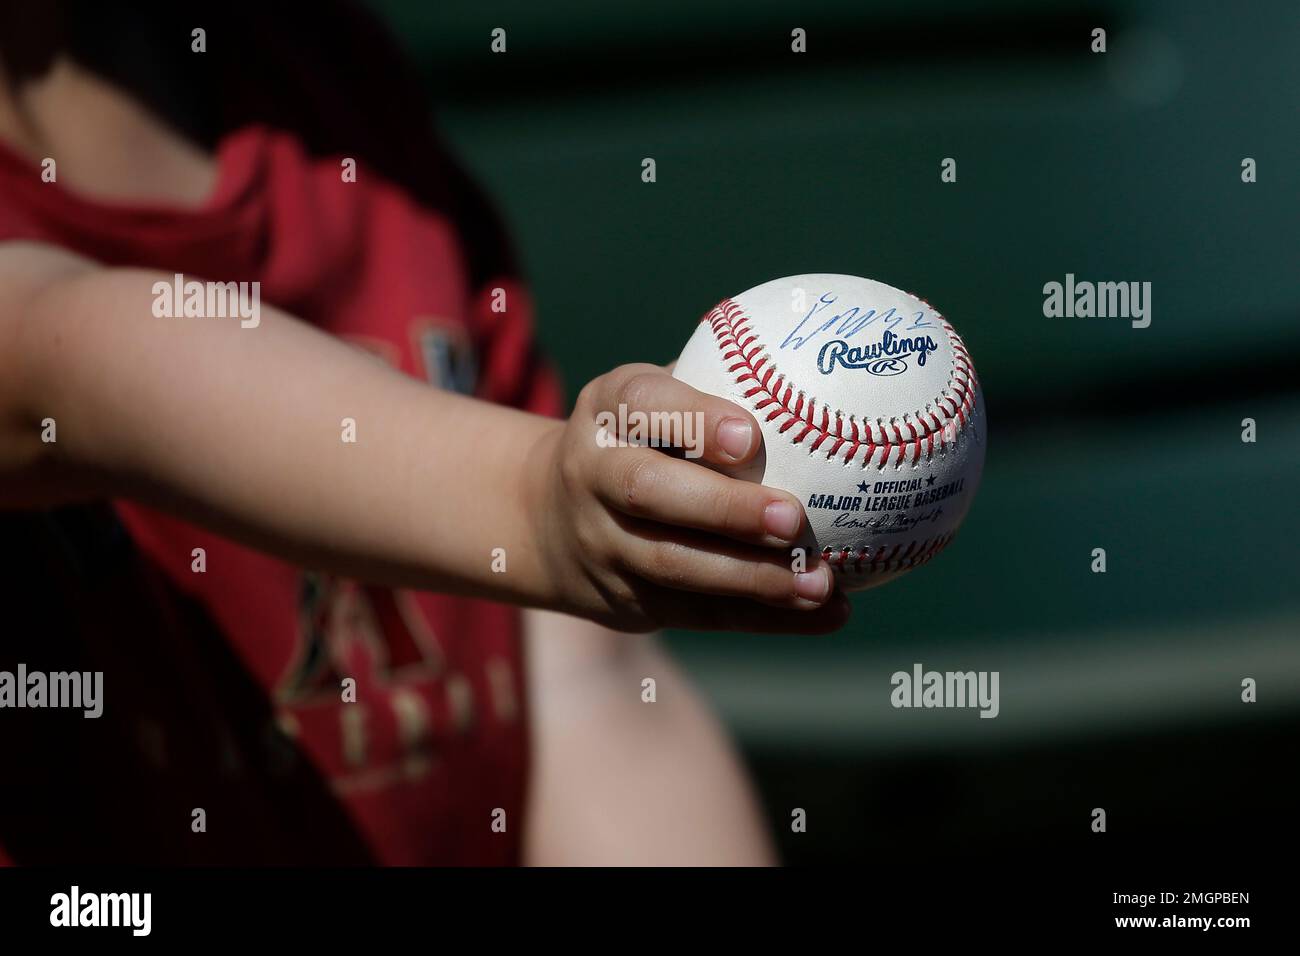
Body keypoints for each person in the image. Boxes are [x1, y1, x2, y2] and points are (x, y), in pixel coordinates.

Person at [0, 2, 847, 865]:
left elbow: (577, 689)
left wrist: (577, 548)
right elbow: (65, 362)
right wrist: (537, 500)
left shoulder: (327, 80)